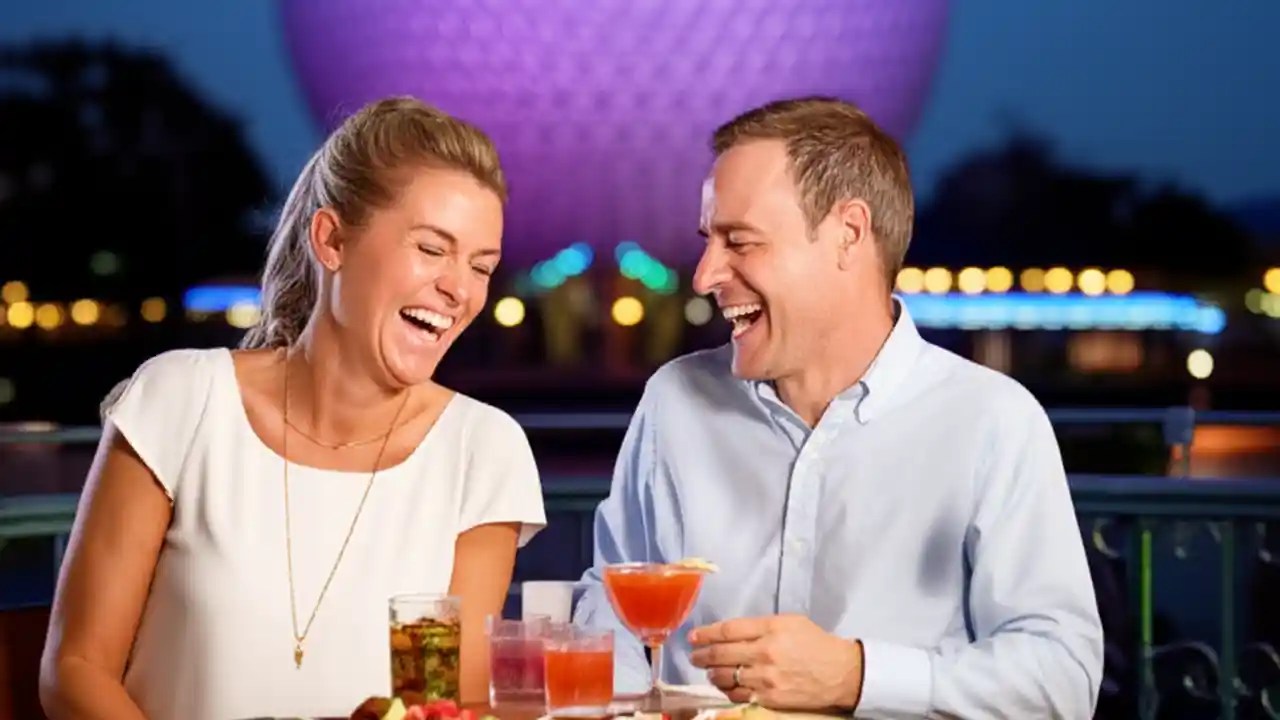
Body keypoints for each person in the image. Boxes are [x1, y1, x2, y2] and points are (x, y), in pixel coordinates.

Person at [574, 97, 1104, 718]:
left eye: (739, 241)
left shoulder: (993, 421)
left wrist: (856, 676)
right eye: (709, 241)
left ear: (849, 234)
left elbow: (1062, 681)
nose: (704, 275)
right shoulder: (674, 401)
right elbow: (610, 611)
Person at [39, 97, 547, 720]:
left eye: (481, 267)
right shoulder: (182, 400)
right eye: (431, 249)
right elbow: (76, 670)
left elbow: (443, 707)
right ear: (332, 240)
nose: (459, 289)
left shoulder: (483, 450)